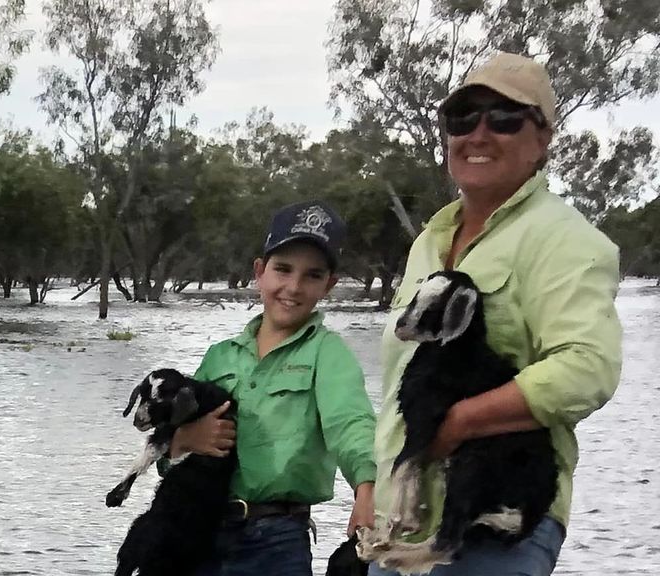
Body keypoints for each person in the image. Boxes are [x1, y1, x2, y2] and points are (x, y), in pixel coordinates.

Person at [369, 52, 623, 575]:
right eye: (463, 118)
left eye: (504, 118)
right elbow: (404, 376)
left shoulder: (564, 239)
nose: (478, 134)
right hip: (401, 528)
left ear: (544, 138)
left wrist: (456, 424)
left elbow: (586, 368)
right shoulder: (429, 243)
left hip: (494, 526)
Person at [167, 199, 378, 576]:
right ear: (260, 272)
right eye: (282, 269)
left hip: (277, 542)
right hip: (197, 531)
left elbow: (351, 423)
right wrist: (184, 440)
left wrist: (367, 486)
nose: (293, 287)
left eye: (312, 275)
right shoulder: (219, 357)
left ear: (328, 285)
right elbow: (169, 453)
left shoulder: (328, 353)